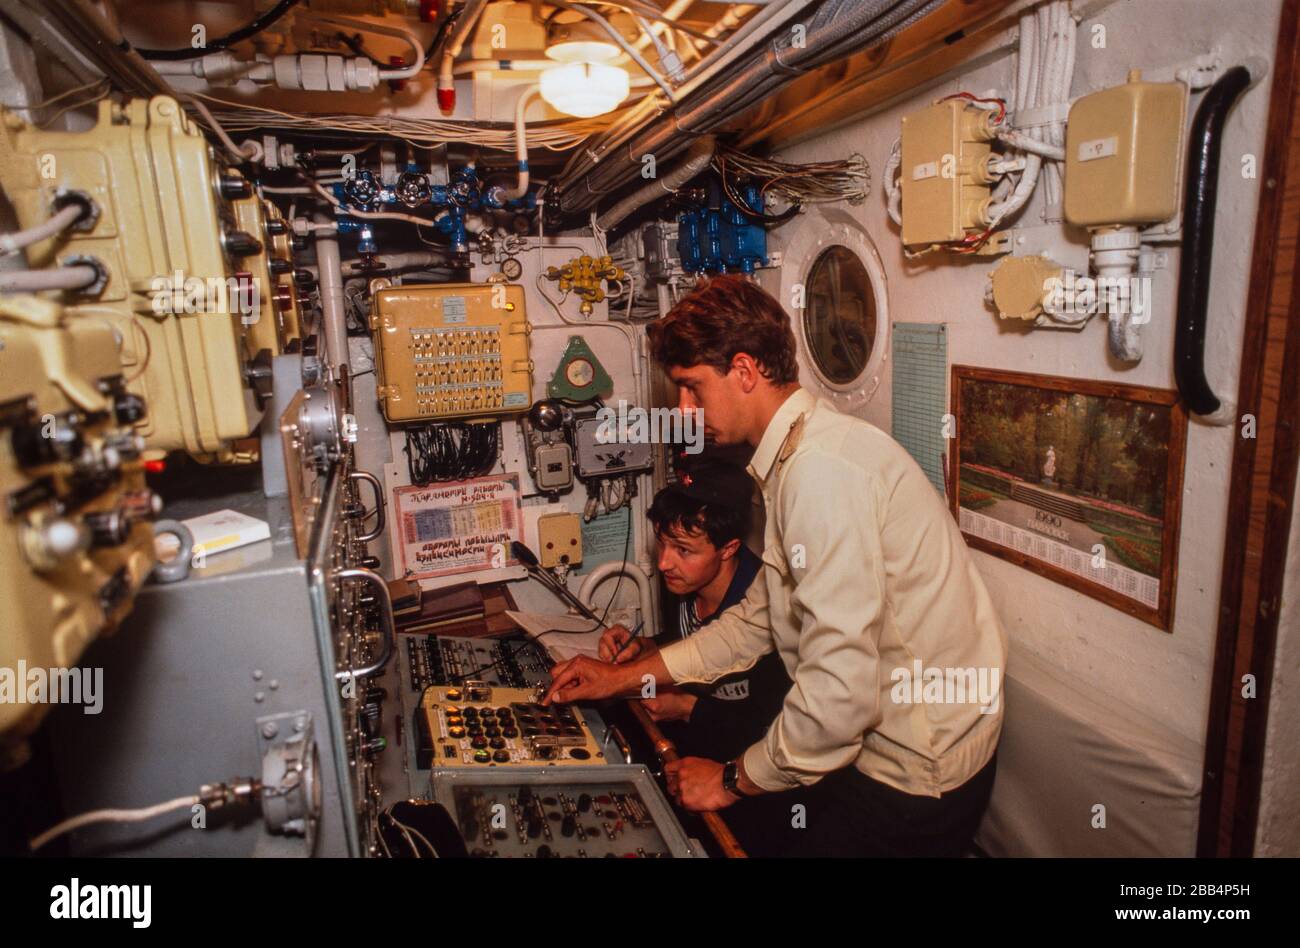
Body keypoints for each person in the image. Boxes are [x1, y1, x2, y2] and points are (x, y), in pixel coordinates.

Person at [545, 274, 1008, 857]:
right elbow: (755, 621)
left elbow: (839, 698)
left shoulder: (821, 473)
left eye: (692, 389)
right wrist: (624, 677)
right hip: (884, 745)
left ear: (744, 370)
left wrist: (732, 779)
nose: (685, 413)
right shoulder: (794, 461)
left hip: (918, 772)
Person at [600, 463, 801, 856]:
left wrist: (688, 709)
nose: (663, 564)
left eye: (683, 550)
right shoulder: (687, 584)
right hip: (689, 764)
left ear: (728, 548)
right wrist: (648, 648)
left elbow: (779, 735)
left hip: (754, 796)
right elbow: (689, 647)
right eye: (662, 544)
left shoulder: (765, 614)